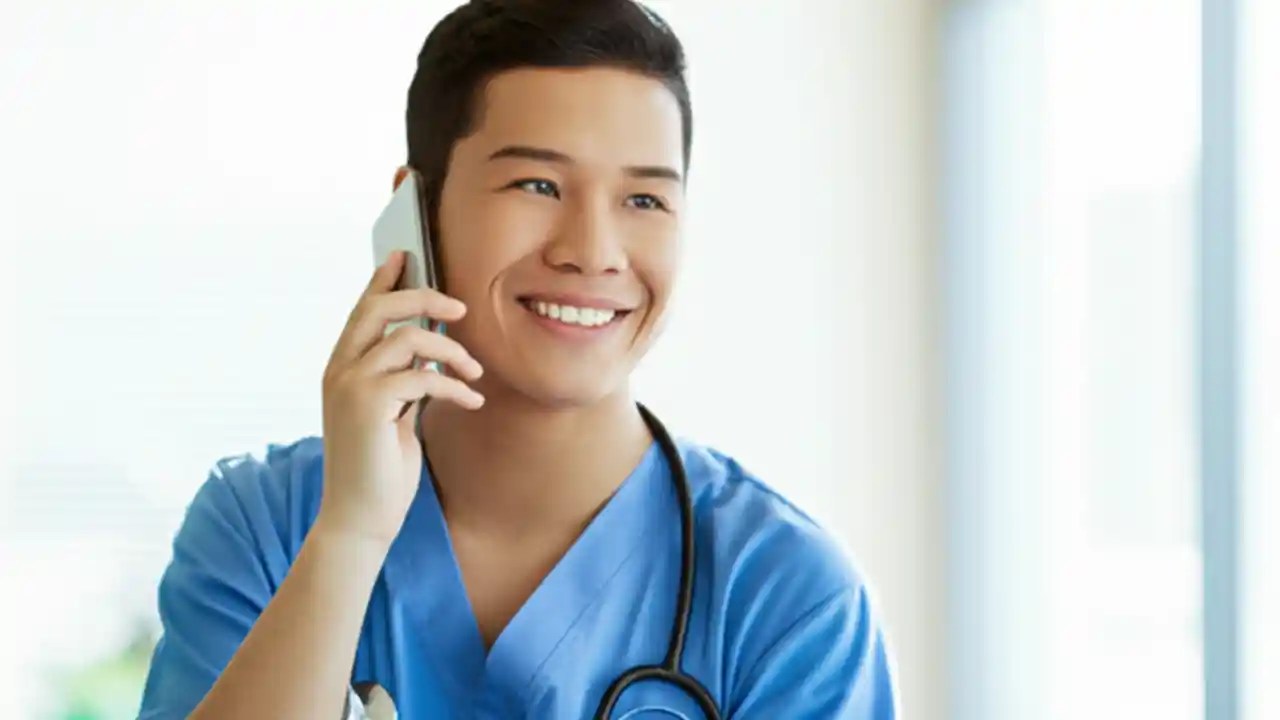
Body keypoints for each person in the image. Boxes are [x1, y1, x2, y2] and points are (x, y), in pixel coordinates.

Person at [136, 1, 898, 718]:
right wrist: (350, 537)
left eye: (644, 200)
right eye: (537, 184)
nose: (592, 252)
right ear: (415, 211)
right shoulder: (266, 527)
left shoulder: (784, 595)